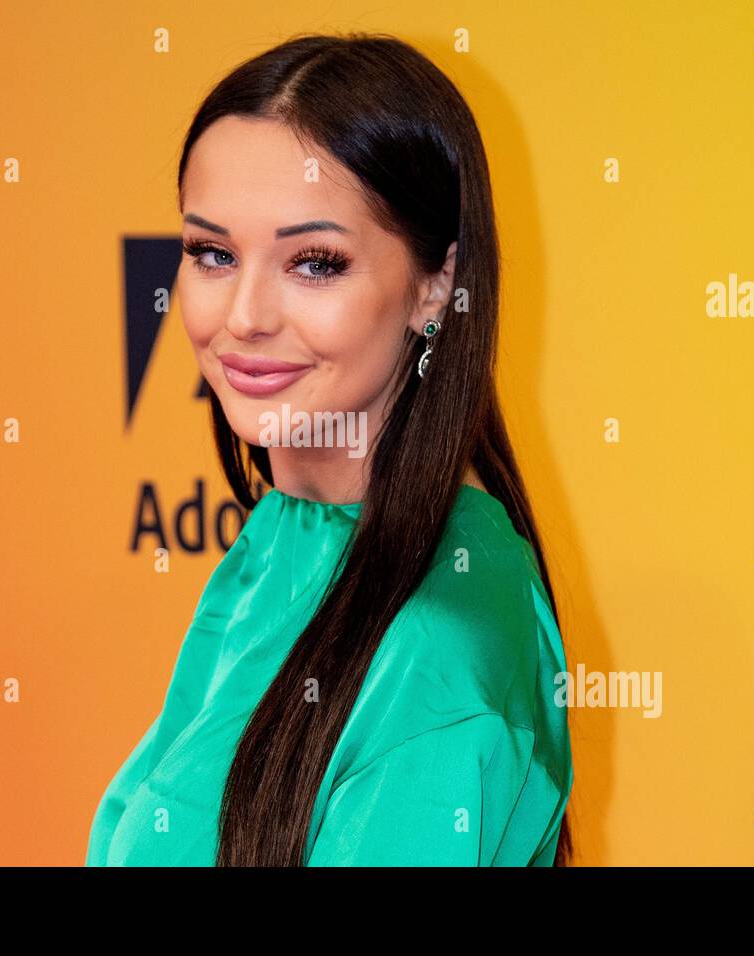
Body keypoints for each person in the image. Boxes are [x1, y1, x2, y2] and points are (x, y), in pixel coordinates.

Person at [87, 31, 574, 866]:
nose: (243, 316)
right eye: (213, 253)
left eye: (314, 263)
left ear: (435, 286)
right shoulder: (287, 536)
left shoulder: (437, 644)